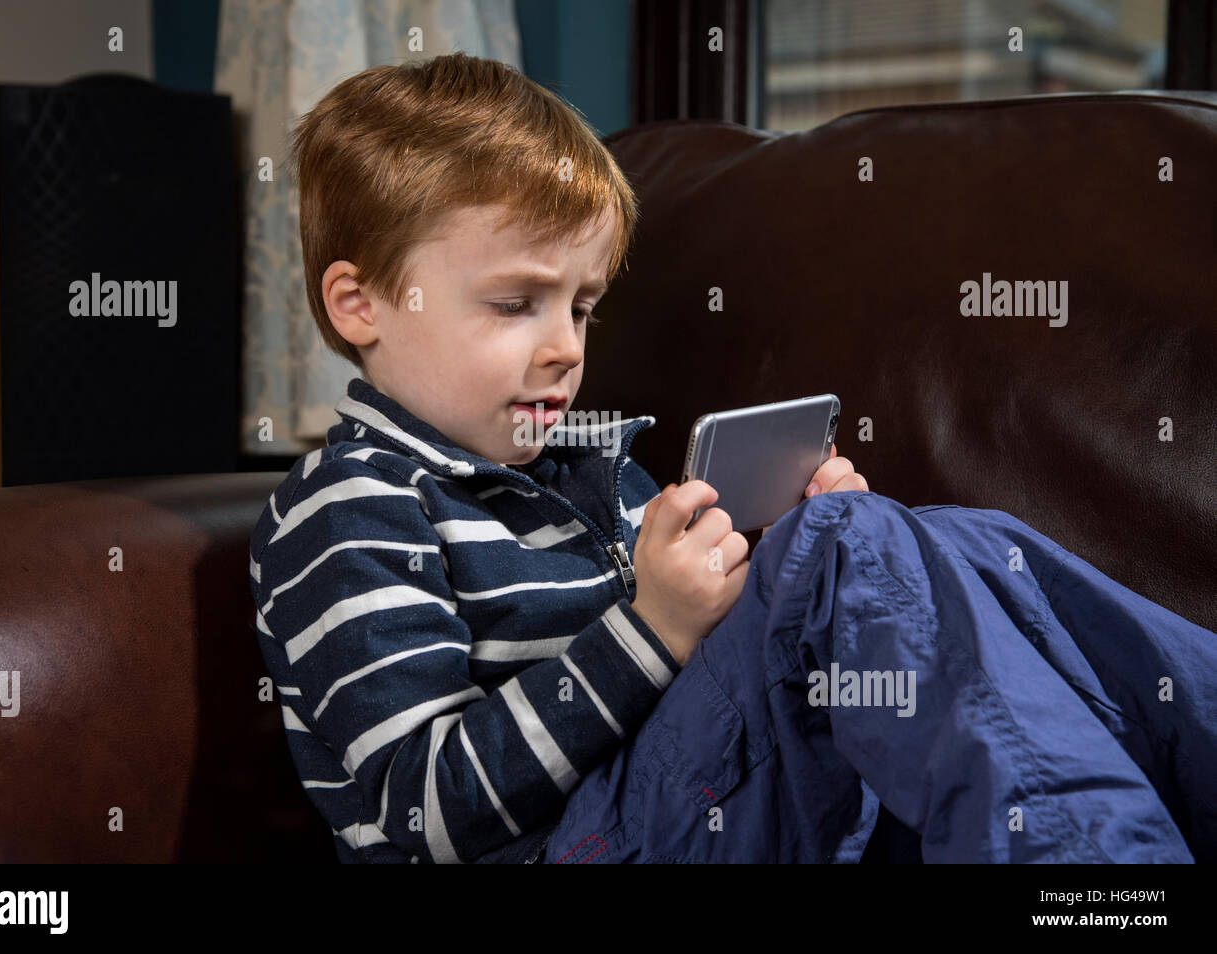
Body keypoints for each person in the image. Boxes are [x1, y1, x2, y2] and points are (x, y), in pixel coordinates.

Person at [249, 52, 1214, 864]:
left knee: (948, 541)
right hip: (559, 849)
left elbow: (718, 692)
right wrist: (655, 630)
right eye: (516, 304)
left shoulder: (596, 473)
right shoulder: (349, 507)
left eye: (581, 307)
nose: (565, 348)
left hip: (676, 805)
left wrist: (790, 561)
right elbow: (424, 812)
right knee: (845, 551)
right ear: (360, 304)